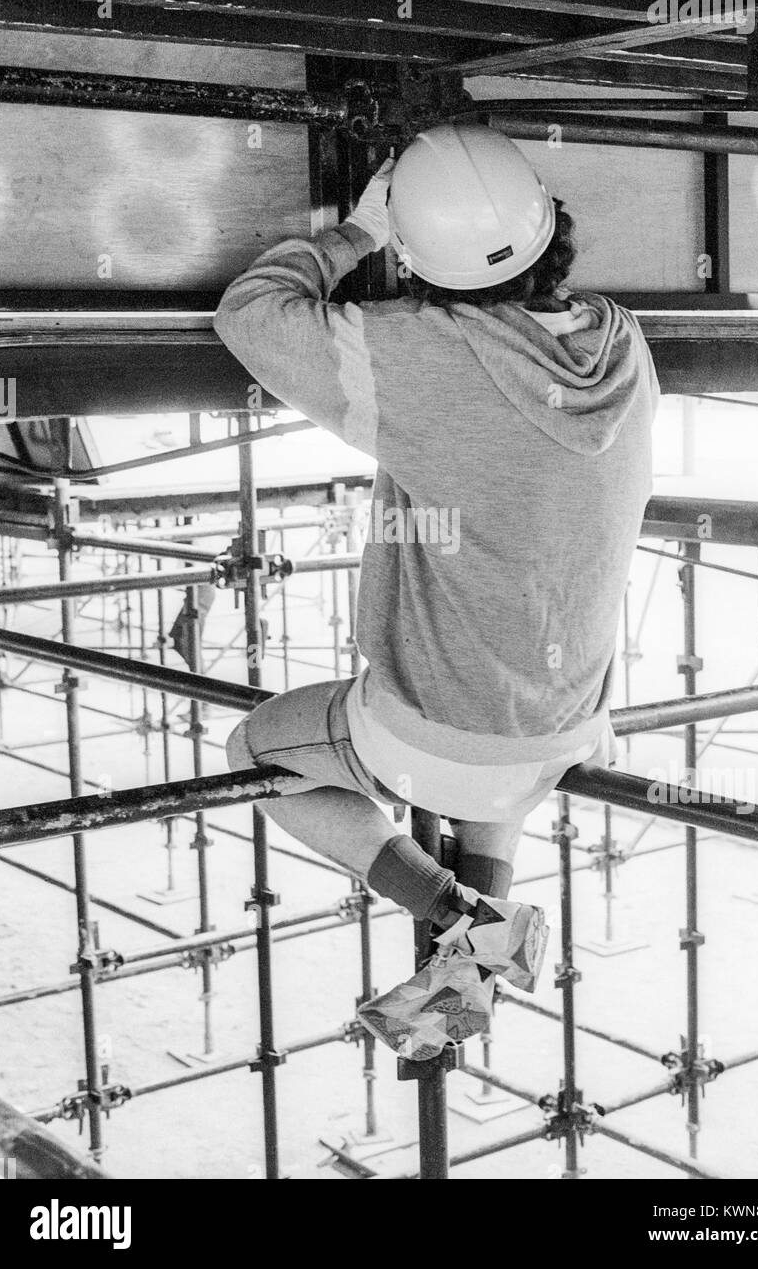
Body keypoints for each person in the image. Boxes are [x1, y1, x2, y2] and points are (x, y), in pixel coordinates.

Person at [214, 123, 659, 1061]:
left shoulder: (412, 353)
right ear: (548, 232)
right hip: (564, 725)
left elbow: (251, 314)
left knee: (253, 753)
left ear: (416, 258)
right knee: (487, 754)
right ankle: (474, 954)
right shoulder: (623, 347)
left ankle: (453, 908)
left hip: (442, 734)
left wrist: (354, 234)